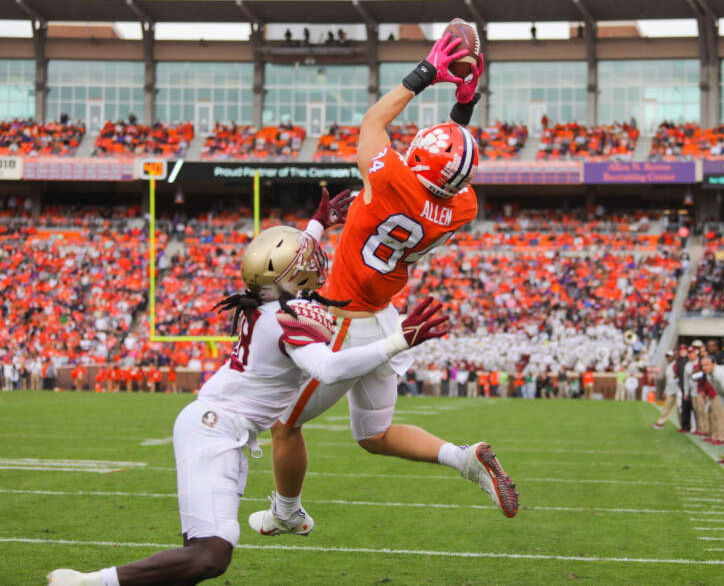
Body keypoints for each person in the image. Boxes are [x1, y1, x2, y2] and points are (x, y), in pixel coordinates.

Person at [47, 209, 449, 586]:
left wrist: (317, 224)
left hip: (220, 427)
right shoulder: (287, 318)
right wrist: (397, 341)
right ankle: (88, 582)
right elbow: (328, 369)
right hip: (216, 428)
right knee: (209, 555)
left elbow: (284, 267)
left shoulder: (266, 300)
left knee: (207, 555)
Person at [252, 31, 519, 539]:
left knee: (285, 425)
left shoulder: (392, 180)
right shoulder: (462, 206)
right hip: (383, 317)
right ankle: (464, 460)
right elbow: (446, 165)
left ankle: (286, 512)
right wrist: (464, 103)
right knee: (373, 435)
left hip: (341, 321)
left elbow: (375, 121)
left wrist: (427, 72)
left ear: (417, 161)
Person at [652, 350, 683, 430]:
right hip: (670, 390)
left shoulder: (677, 364)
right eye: (667, 356)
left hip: (678, 389)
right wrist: (665, 391)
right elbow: (668, 380)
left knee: (679, 408)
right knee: (667, 406)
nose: (668, 358)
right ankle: (660, 422)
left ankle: (683, 425)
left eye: (670, 356)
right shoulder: (669, 366)